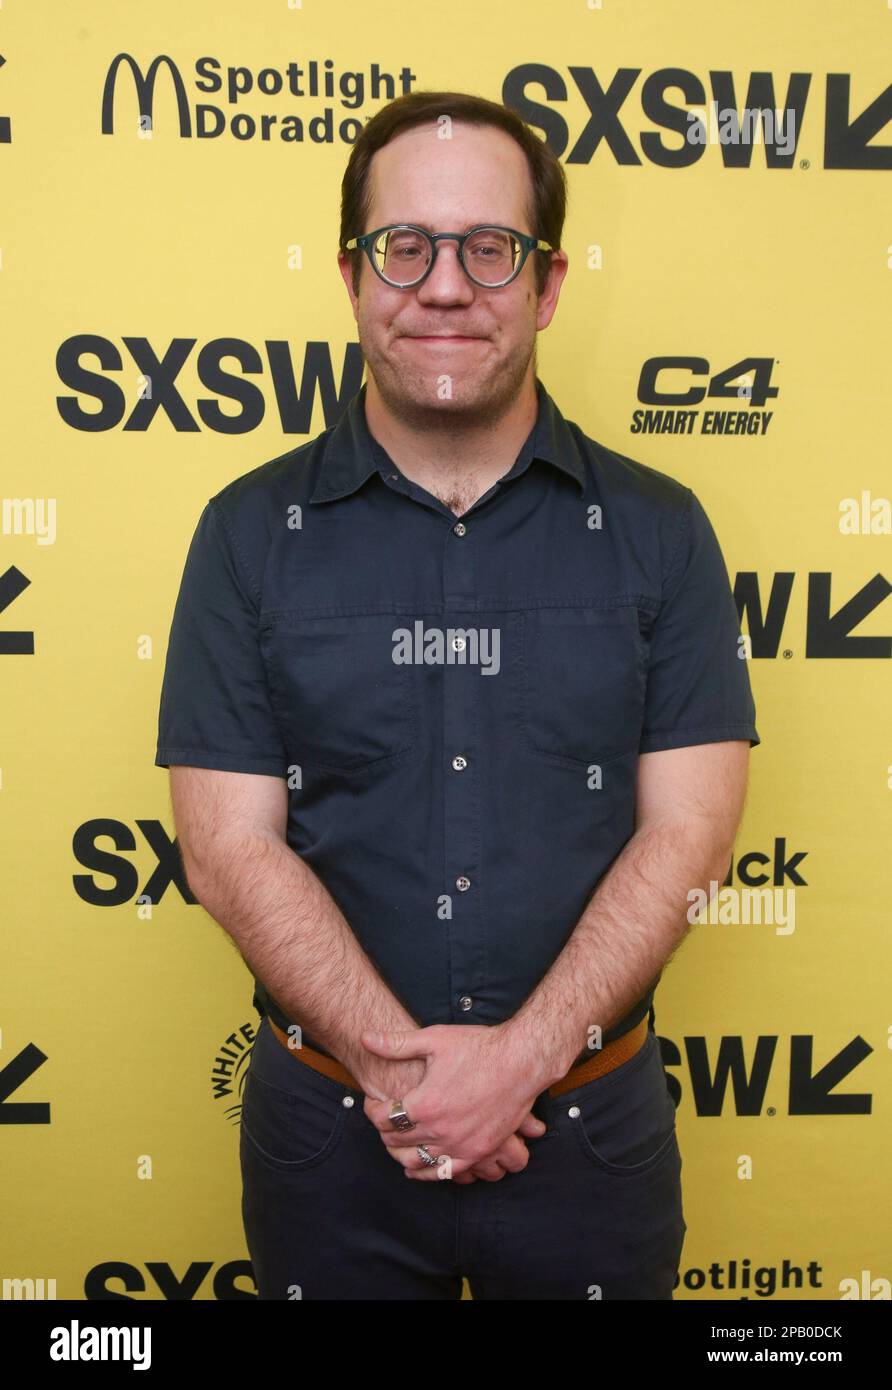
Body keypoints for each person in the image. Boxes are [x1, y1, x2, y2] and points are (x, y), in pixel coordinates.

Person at [155, 89, 759, 1300]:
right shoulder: (245, 535)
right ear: (352, 274)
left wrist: (522, 1062)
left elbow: (690, 827)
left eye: (490, 249)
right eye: (405, 246)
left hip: (589, 1137)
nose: (444, 285)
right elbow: (224, 848)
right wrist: (401, 1073)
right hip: (332, 1145)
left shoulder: (658, 532)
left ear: (545, 285)